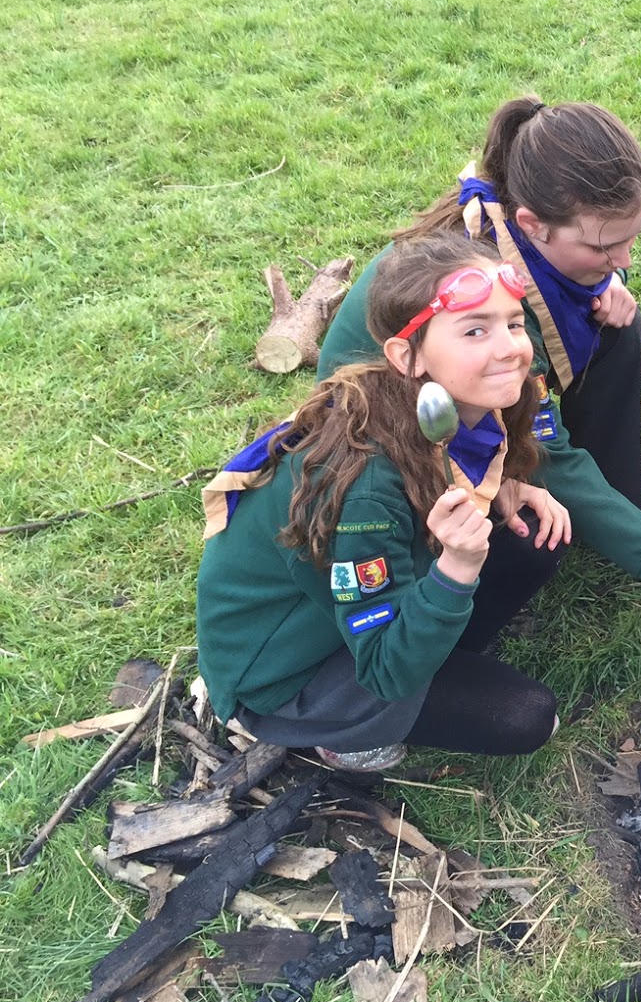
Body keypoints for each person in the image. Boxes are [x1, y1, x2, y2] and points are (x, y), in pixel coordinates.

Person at [318, 94, 641, 640]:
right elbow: (552, 454)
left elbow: (581, 278)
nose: (628, 259)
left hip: (466, 395)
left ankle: (617, 510)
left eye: (631, 238)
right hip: (398, 444)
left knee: (618, 322)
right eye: (606, 246)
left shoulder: (516, 232)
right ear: (533, 225)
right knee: (528, 543)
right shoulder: (495, 305)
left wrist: (602, 279)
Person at [198, 234, 574, 770]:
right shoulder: (363, 486)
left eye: (513, 323)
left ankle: (442, 647)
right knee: (527, 716)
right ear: (407, 355)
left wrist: (508, 486)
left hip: (363, 605)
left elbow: (460, 471)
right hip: (292, 666)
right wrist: (458, 569)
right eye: (475, 330)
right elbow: (382, 668)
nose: (510, 347)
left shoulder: (450, 404)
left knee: (535, 531)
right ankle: (337, 733)